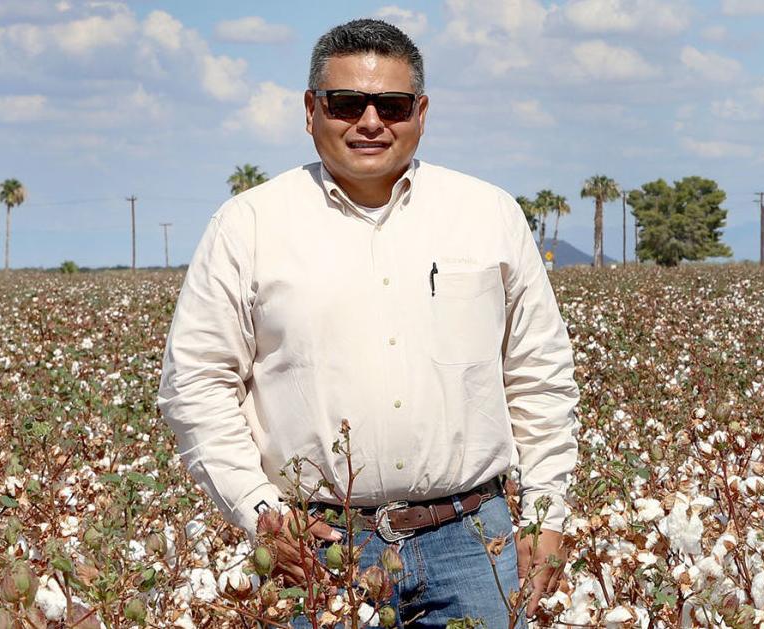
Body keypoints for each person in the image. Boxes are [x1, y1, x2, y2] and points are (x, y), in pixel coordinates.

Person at [157, 18, 579, 627]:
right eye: (346, 103)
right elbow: (196, 385)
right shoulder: (247, 226)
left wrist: (547, 517)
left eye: (393, 104)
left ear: (422, 112)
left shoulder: (488, 215)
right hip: (316, 547)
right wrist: (260, 514)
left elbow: (539, 376)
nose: (371, 121)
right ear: (311, 110)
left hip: (471, 543)